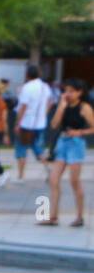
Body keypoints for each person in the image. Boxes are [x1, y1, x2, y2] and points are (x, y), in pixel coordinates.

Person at [41, 79, 94, 228]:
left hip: (76, 144)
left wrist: (79, 132)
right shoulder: (63, 105)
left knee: (74, 181)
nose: (67, 94)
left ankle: (79, 217)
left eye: (71, 91)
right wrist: (61, 107)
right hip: (62, 143)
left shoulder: (85, 108)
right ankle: (53, 217)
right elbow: (53, 125)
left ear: (79, 92)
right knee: (53, 179)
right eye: (66, 91)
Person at [15, 65, 53, 183]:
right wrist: (44, 114)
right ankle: (49, 170)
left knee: (21, 149)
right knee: (39, 149)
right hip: (40, 124)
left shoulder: (27, 87)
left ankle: (21, 176)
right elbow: (50, 102)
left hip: (26, 124)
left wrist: (17, 123)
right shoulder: (45, 87)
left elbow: (23, 106)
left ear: (27, 75)